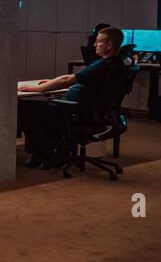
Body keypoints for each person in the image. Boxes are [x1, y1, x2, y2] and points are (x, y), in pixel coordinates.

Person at [18, 26, 126, 167]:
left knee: (27, 108)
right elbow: (78, 80)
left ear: (109, 45)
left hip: (75, 112)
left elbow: (66, 80)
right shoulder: (117, 65)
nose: (94, 45)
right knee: (37, 106)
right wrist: (51, 83)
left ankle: (44, 153)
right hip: (92, 113)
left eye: (98, 41)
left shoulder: (103, 65)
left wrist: (38, 88)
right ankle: (52, 152)